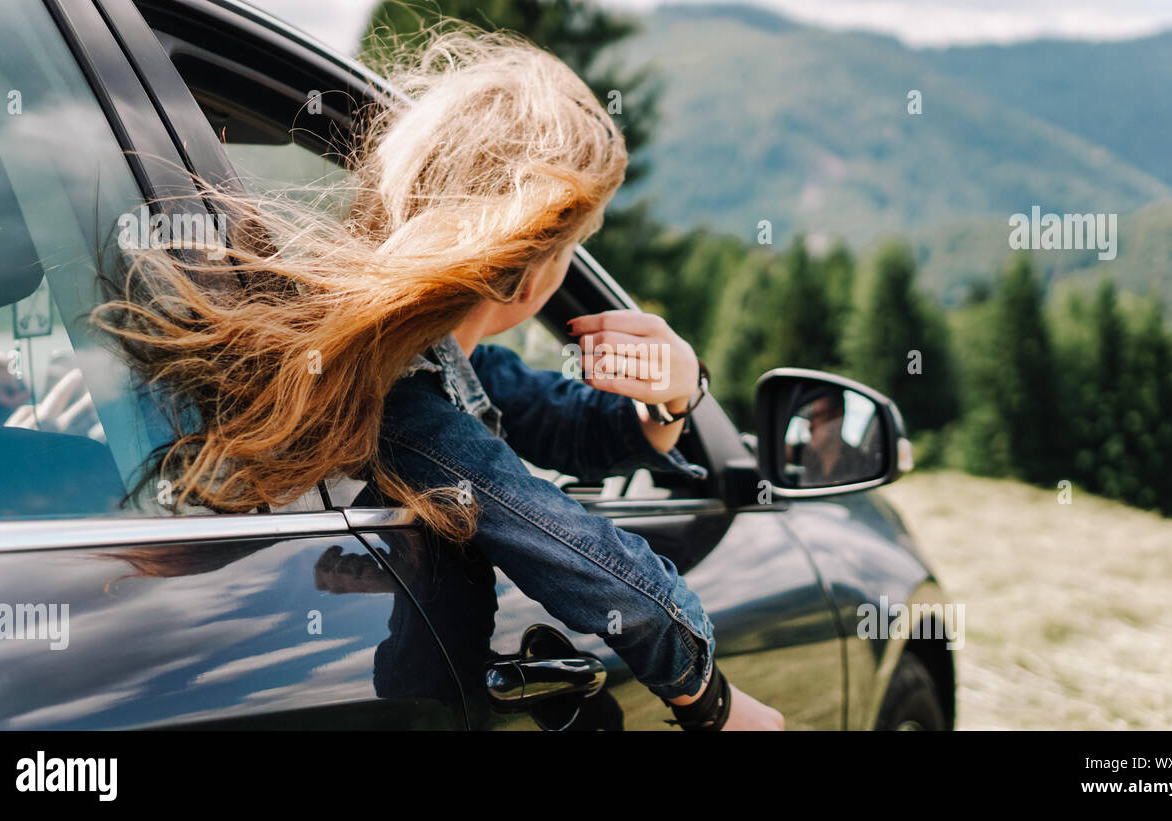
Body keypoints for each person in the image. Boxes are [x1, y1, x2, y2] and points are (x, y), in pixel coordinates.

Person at [93, 24, 782, 730]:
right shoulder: (408, 405)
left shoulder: (434, 366)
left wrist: (673, 396)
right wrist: (715, 701)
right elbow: (581, 555)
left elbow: (561, 423)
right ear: (526, 272)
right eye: (576, 246)